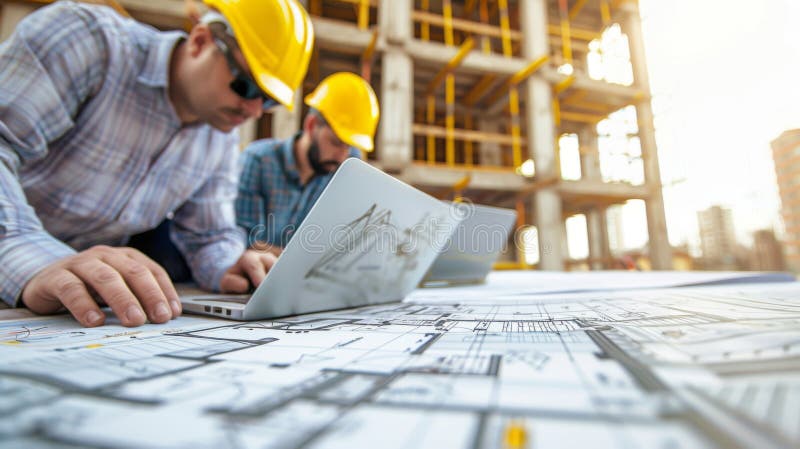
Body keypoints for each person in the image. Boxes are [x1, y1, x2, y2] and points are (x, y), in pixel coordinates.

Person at [0, 0, 314, 327]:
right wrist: (34, 259)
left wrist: (231, 266)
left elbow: (207, 235)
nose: (252, 110)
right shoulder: (87, 41)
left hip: (75, 301)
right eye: (246, 86)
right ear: (201, 41)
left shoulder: (219, 138)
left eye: (268, 101)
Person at [236, 72, 380, 254]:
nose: (342, 156)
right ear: (311, 125)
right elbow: (244, 242)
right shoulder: (258, 161)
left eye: (349, 147)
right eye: (336, 143)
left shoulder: (343, 170)